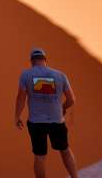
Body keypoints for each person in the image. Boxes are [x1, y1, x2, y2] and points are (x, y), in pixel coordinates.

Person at [14, 48, 79, 178]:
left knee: (40, 156)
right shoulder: (60, 75)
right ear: (45, 60)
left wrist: (17, 116)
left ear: (32, 61)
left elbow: (21, 98)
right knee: (65, 150)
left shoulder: (26, 75)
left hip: (36, 122)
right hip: (57, 121)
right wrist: (62, 108)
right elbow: (71, 100)